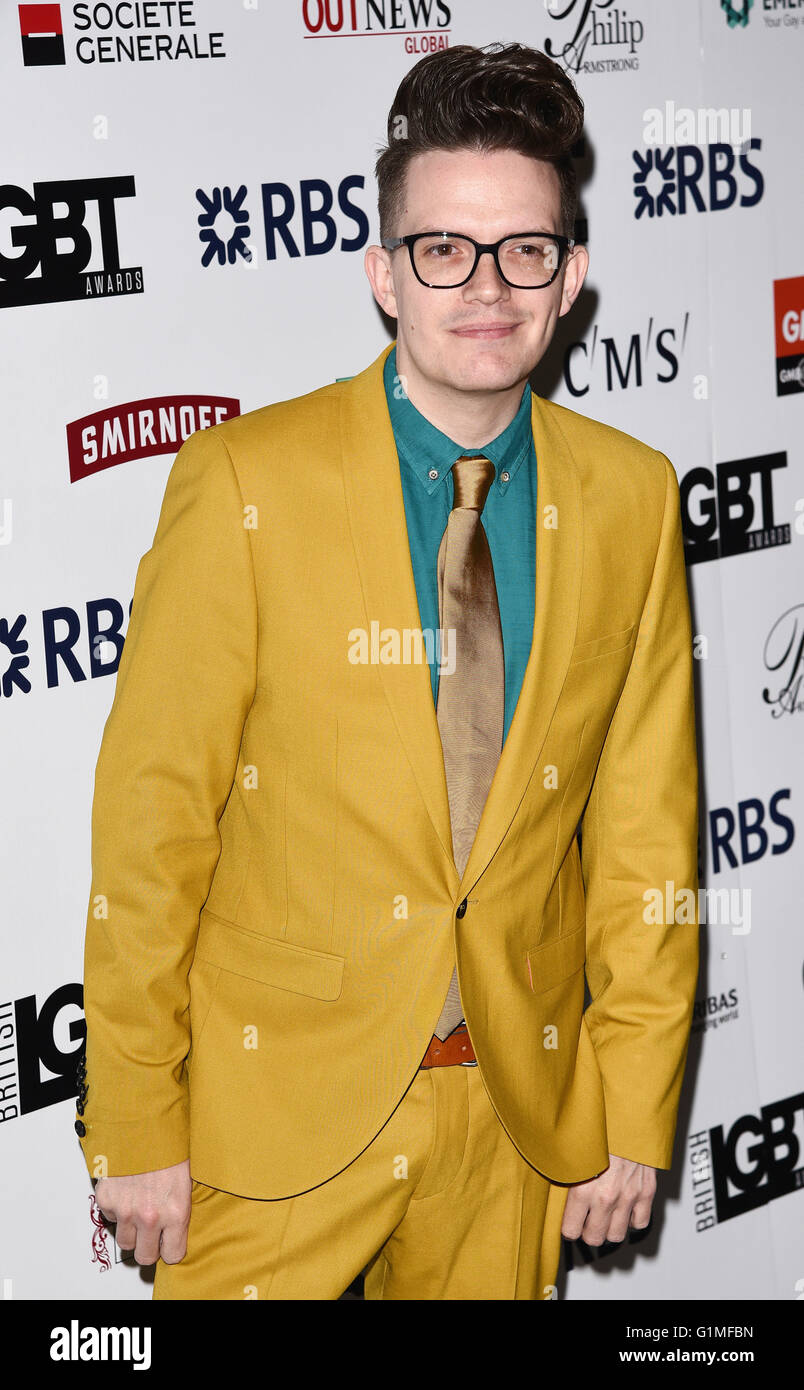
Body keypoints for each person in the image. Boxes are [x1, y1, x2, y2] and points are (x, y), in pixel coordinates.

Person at [74, 42, 699, 1301]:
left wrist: (631, 1106)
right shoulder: (248, 483)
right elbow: (151, 830)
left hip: (513, 1126)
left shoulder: (633, 498)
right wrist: (136, 1122)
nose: (487, 285)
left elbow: (646, 847)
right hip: (274, 1125)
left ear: (571, 276)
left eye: (525, 249)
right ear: (384, 275)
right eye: (443, 250)